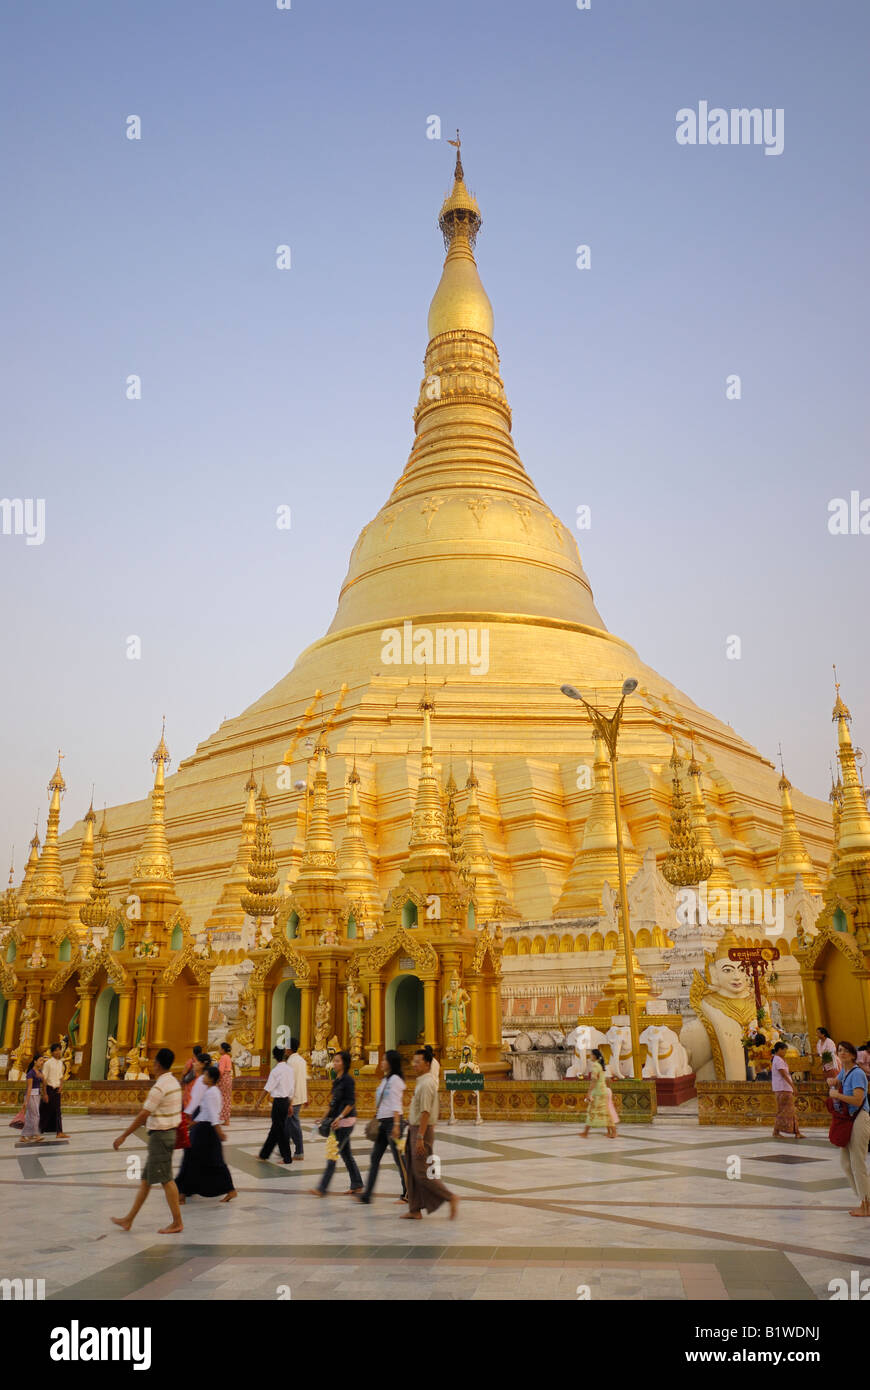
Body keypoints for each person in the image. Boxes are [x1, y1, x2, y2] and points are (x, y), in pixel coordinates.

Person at [111, 1047, 184, 1234]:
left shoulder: (160, 1087)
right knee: (146, 1181)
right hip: (168, 1134)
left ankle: (177, 1222)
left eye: (153, 1062)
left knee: (166, 1180)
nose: (152, 1064)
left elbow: (144, 1114)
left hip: (161, 1136)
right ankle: (129, 1219)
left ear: (158, 1064)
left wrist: (124, 1135)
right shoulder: (174, 1082)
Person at [403, 1045, 457, 1221]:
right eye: (414, 1061)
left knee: (421, 1172)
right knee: (412, 1169)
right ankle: (415, 1208)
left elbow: (426, 1112)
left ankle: (449, 1196)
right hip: (415, 1129)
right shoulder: (424, 1081)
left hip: (420, 1131)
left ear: (427, 1064)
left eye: (418, 1062)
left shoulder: (427, 1084)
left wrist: (420, 1137)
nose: (414, 1065)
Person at [177, 1065, 237, 1204]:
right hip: (204, 1128)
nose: (203, 1078)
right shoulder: (212, 1091)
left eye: (205, 1076)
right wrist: (193, 1123)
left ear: (211, 1079)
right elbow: (205, 1113)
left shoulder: (211, 1093)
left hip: (206, 1132)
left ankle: (183, 1193)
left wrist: (219, 1132)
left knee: (193, 1159)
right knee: (215, 1161)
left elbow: (213, 1116)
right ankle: (230, 1190)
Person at [310, 1050, 362, 1196]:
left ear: (344, 1063)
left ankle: (322, 1188)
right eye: (335, 1060)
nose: (335, 1063)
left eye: (338, 1061)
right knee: (346, 1154)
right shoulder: (337, 1079)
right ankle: (357, 1184)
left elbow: (351, 1103)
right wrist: (323, 1117)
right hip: (337, 1121)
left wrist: (339, 1117)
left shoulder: (348, 1080)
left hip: (345, 1122)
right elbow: (332, 1103)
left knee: (332, 1154)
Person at [357, 1050, 407, 1205]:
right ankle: (367, 1194)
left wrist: (397, 1125)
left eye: (384, 1060)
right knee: (375, 1157)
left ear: (391, 1062)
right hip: (383, 1122)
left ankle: (408, 1193)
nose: (381, 1062)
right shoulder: (385, 1080)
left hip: (393, 1123)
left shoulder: (396, 1080)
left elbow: (396, 1104)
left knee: (399, 1160)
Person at [828, 1040, 870, 1218]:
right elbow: (835, 1081)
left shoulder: (857, 1073)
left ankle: (866, 1204)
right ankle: (864, 1197)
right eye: (839, 1050)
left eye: (846, 1051)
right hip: (848, 1120)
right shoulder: (844, 1072)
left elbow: (858, 1100)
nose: (842, 1053)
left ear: (853, 1055)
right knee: (846, 1164)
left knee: (858, 1163)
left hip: (859, 1118)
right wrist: (832, 1081)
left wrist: (837, 1094)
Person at [258, 1045, 295, 1164]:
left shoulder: (276, 1071)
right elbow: (291, 1089)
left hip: (278, 1103)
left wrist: (258, 1101)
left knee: (280, 1131)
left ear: (274, 1057)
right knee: (275, 1129)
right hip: (286, 1101)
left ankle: (287, 1158)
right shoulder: (289, 1069)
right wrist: (290, 1104)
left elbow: (267, 1088)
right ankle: (264, 1154)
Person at [580, 1048, 618, 1139]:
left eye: (591, 1054)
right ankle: (586, 1132)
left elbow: (594, 1080)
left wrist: (589, 1092)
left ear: (594, 1056)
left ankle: (586, 1132)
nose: (589, 1056)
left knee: (595, 1112)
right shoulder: (599, 1065)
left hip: (598, 1093)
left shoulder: (595, 1066)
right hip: (601, 1091)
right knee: (600, 1112)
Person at [771, 1040, 803, 1139]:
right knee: (785, 1111)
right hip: (783, 1088)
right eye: (784, 1050)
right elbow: (784, 1074)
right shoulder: (778, 1060)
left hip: (784, 1088)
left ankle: (795, 1131)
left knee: (788, 1110)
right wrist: (793, 1086)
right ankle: (778, 1132)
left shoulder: (779, 1059)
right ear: (779, 1050)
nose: (785, 1052)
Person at [39, 1041, 69, 1140]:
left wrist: (61, 1086)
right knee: (46, 1110)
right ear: (52, 1052)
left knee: (57, 1111)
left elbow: (61, 1076)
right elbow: (44, 1079)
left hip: (57, 1090)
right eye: (55, 1050)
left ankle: (59, 1132)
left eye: (59, 1050)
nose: (58, 1052)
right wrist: (45, 1094)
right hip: (49, 1089)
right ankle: (39, 1129)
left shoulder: (60, 1063)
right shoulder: (47, 1063)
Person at [284, 1037, 308, 1160]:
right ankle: (283, 1148)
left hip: (293, 1098)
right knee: (288, 1123)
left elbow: (290, 1083)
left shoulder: (290, 1063)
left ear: (289, 1048)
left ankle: (299, 1151)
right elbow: (304, 1079)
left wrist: (289, 1102)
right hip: (300, 1095)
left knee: (293, 1124)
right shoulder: (302, 1061)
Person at [19, 1056, 44, 1144]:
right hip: (30, 1096)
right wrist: (26, 1102)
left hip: (37, 1095)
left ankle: (23, 1136)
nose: (42, 1062)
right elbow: (29, 1088)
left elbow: (45, 1082)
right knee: (35, 1115)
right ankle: (37, 1135)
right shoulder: (30, 1073)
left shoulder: (40, 1072)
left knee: (30, 1116)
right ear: (35, 1061)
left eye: (43, 1061)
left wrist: (42, 1077)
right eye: (40, 1060)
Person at [181, 1044, 204, 1109]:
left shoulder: (191, 1061)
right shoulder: (202, 1062)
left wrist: (182, 1081)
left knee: (188, 1103)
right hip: (200, 1084)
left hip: (191, 1084)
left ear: (193, 1052)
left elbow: (184, 1072)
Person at [217, 1042, 234, 1126]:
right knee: (227, 1099)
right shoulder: (228, 1057)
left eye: (220, 1048)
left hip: (224, 1078)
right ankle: (226, 1119)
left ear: (223, 1050)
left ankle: (226, 1120)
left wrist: (216, 1080)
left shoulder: (223, 1057)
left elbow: (220, 1071)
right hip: (228, 1078)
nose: (219, 1050)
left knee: (223, 1099)